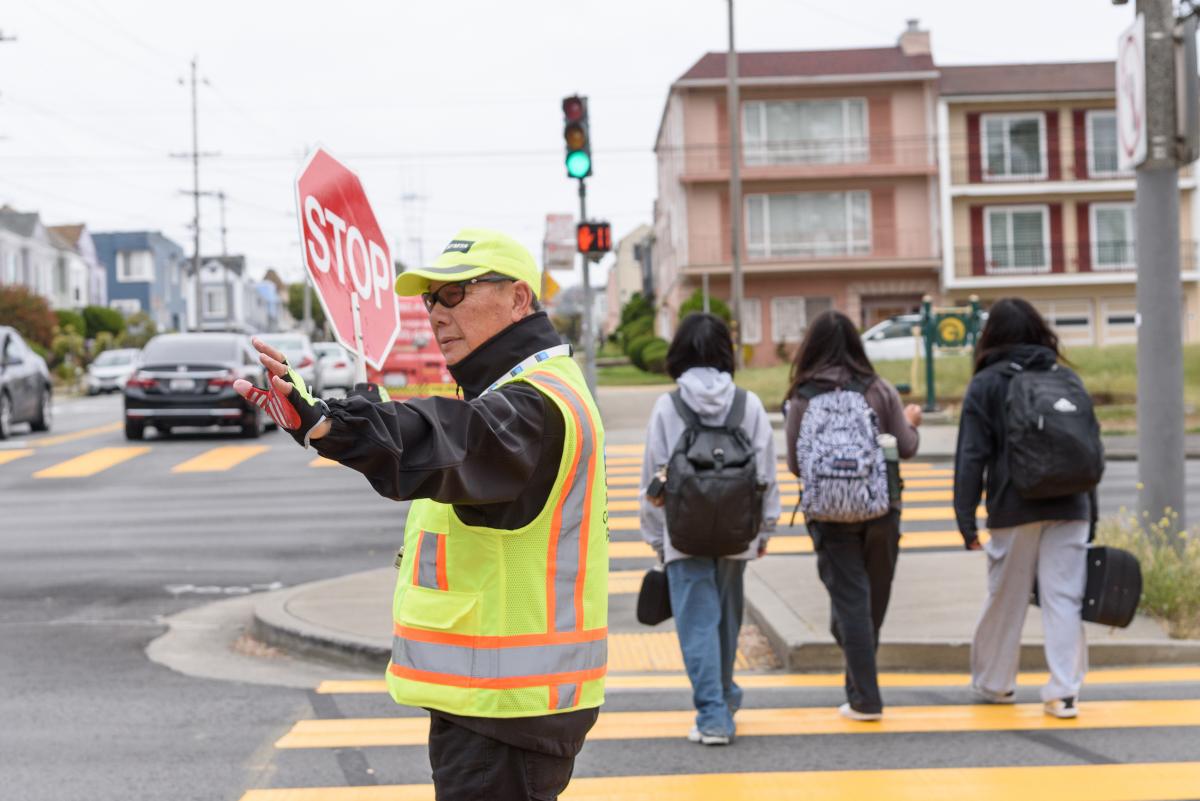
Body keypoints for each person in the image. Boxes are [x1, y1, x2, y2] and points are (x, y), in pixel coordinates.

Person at [236, 229, 608, 801]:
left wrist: (333, 424)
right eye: (429, 298)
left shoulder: (536, 403)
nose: (436, 312)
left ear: (518, 299)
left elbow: (444, 439)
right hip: (497, 702)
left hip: (507, 707)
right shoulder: (515, 388)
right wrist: (326, 419)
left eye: (455, 294)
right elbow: (442, 432)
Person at [638, 313, 780, 745]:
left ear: (678, 354)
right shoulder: (747, 404)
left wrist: (657, 538)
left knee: (697, 624)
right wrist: (764, 530)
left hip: (684, 534)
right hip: (737, 533)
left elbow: (653, 477)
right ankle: (724, 695)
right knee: (726, 623)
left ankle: (714, 715)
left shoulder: (668, 406)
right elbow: (767, 472)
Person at [954, 297, 1097, 720]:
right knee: (1064, 598)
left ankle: (997, 684)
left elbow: (971, 457)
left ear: (991, 336)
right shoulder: (1065, 378)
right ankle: (1064, 691)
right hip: (1073, 503)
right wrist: (1092, 511)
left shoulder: (986, 383)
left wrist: (966, 521)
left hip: (1014, 507)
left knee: (1006, 597)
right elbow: (1089, 450)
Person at [784, 310, 921, 721]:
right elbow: (907, 447)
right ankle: (864, 696)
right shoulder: (878, 389)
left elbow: (795, 463)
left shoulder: (803, 395)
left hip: (828, 514)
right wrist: (911, 423)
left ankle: (862, 693)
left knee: (850, 606)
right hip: (882, 508)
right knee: (869, 603)